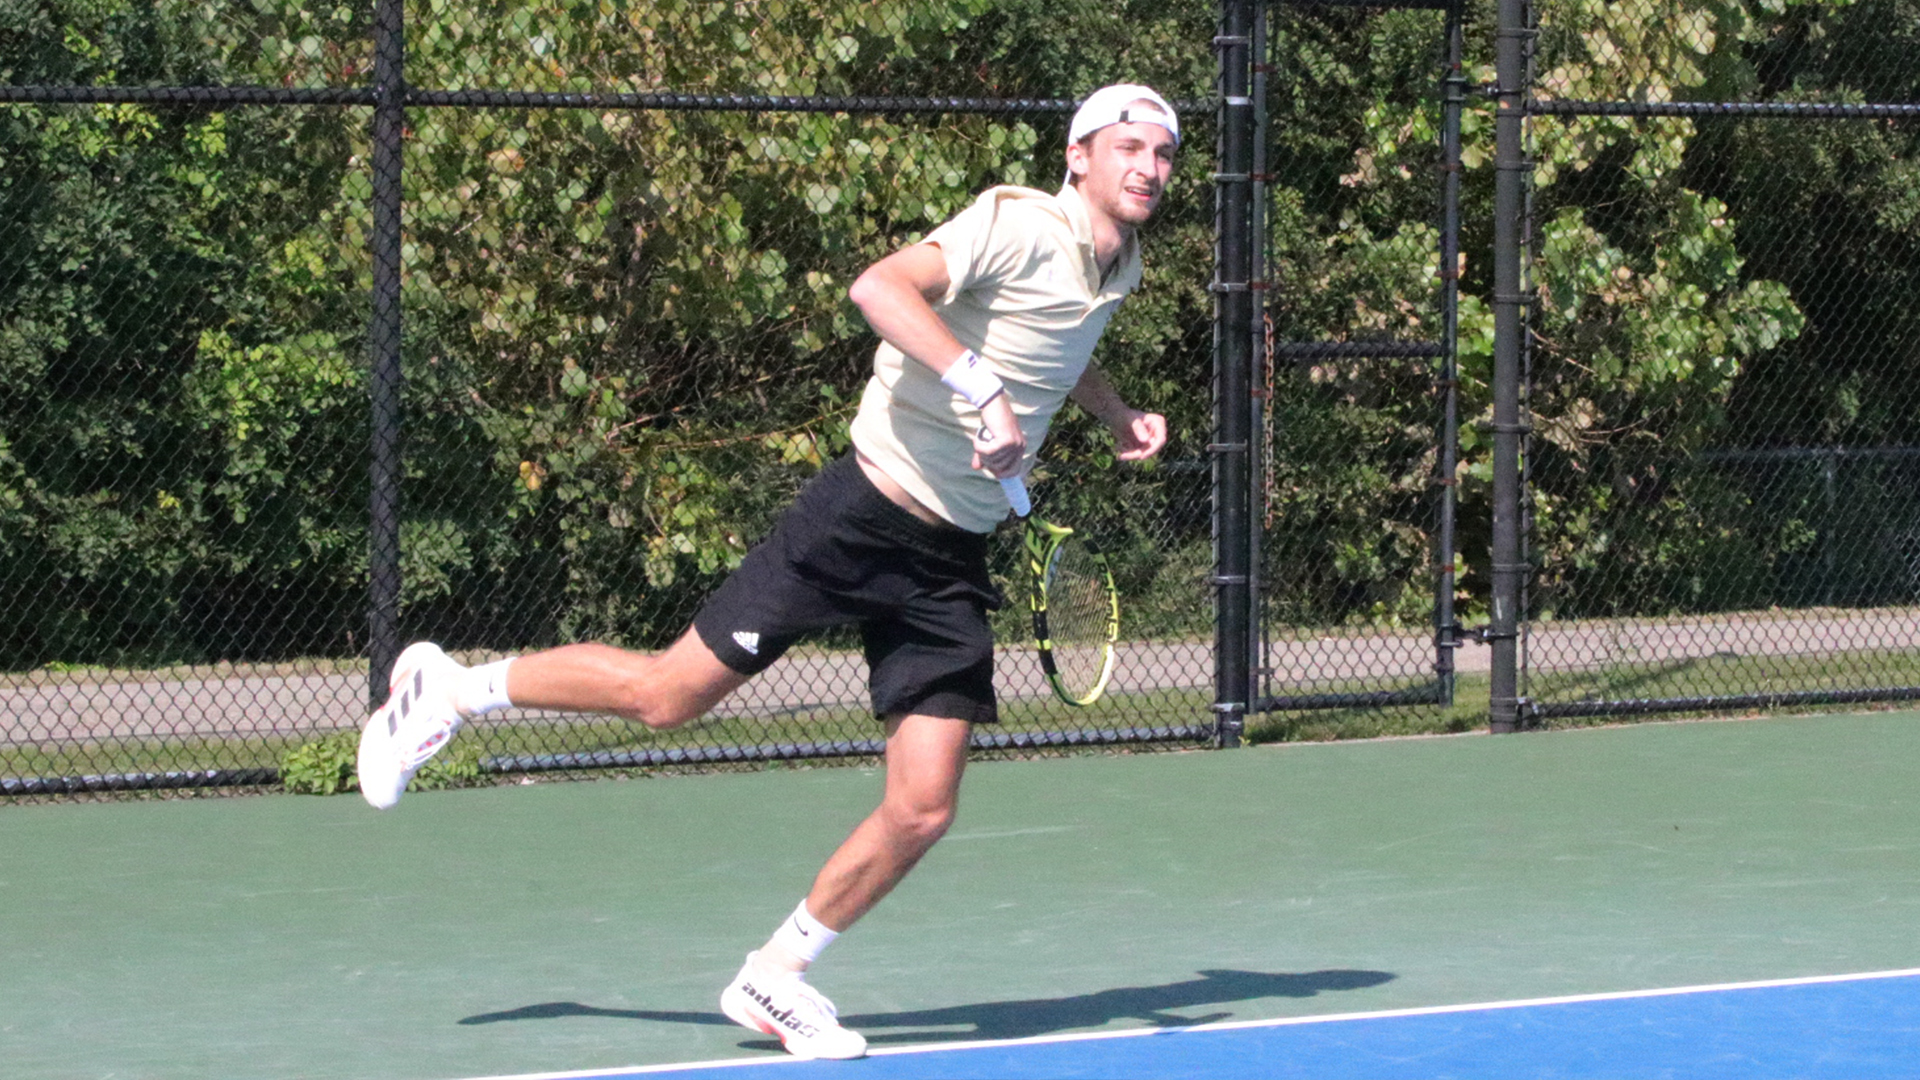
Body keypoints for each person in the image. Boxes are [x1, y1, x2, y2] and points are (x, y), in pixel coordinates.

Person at [354, 83, 1180, 1061]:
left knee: (923, 805)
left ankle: (774, 977)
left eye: (1164, 154)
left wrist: (1114, 413)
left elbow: (1058, 346)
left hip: (952, 553)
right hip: (860, 516)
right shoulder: (1017, 224)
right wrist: (979, 388)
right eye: (1129, 146)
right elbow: (879, 289)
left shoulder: (1118, 262)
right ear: (1078, 156)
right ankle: (453, 689)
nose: (1149, 167)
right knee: (668, 698)